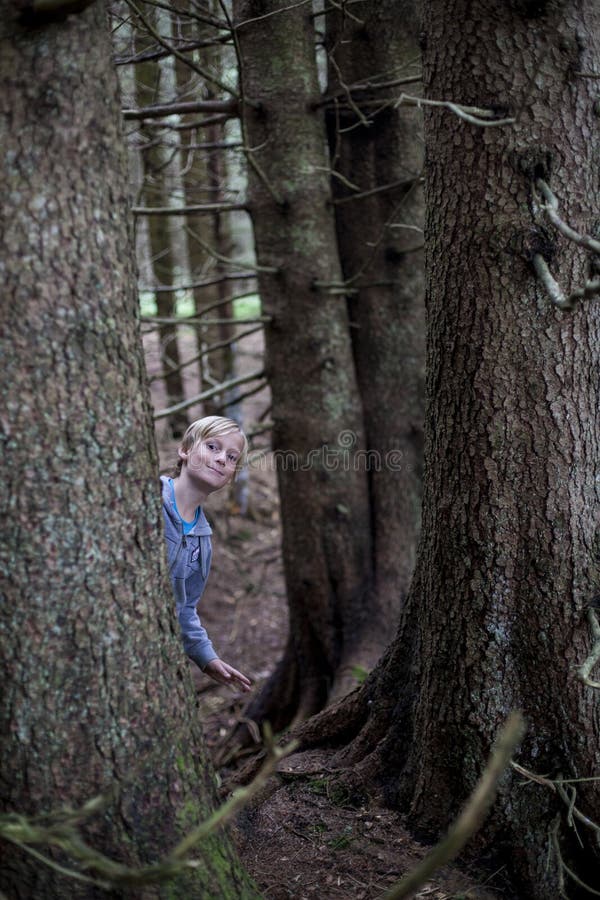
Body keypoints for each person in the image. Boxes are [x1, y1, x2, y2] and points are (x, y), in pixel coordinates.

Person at [161, 415, 252, 693]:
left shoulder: (203, 542)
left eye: (232, 457)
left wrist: (206, 657)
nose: (222, 458)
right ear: (186, 450)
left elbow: (184, 607)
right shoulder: (147, 498)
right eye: (213, 447)